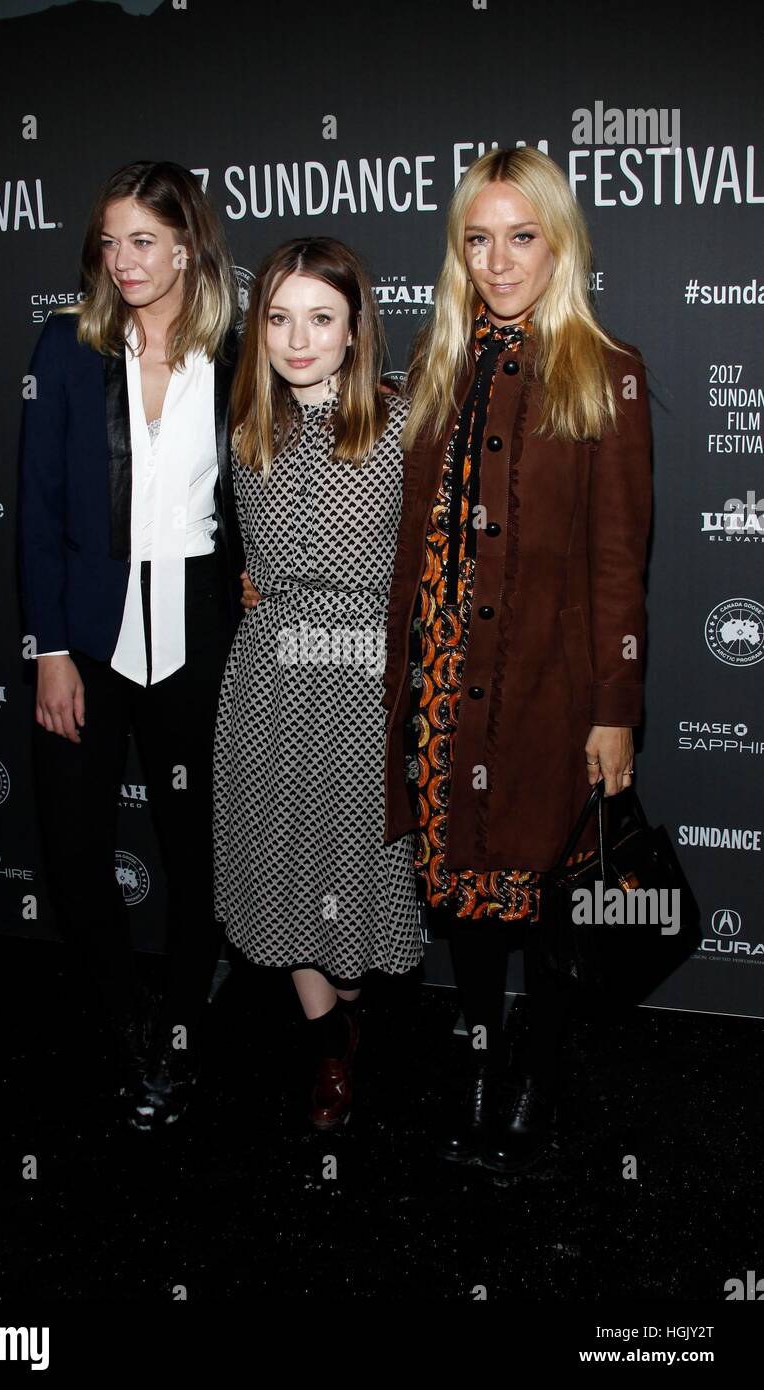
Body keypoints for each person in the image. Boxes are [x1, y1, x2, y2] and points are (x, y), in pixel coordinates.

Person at [381, 147, 652, 1173]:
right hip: (444, 678)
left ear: (557, 242)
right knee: (460, 891)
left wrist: (612, 704)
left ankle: (534, 1071)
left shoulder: (604, 370)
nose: (498, 262)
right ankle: (482, 1059)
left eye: (520, 237)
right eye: (476, 239)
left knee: (537, 891)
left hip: (545, 681)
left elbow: (619, 558)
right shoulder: (436, 366)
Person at [17, 160, 243, 1130]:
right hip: (88, 624)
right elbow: (35, 507)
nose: (122, 260)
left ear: (187, 246)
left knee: (196, 849)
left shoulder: (236, 353)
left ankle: (182, 1029)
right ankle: (130, 1027)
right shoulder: (65, 346)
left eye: (142, 240)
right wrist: (50, 649)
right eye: (109, 242)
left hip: (198, 622)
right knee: (73, 851)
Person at [214, 237, 422, 1131]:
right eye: (280, 318)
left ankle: (346, 998)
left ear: (354, 328)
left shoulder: (404, 417)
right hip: (267, 677)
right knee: (275, 860)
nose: (299, 340)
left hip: (365, 680)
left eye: (321, 318)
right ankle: (328, 1043)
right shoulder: (246, 424)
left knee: (355, 865)